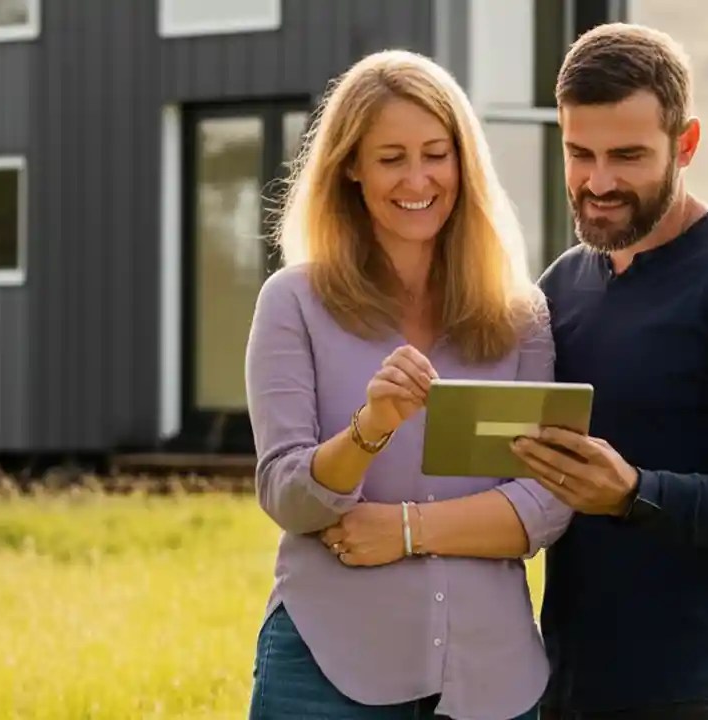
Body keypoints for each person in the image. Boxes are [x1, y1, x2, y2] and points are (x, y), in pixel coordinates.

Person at [508, 23, 708, 720]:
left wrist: (633, 493)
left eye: (627, 156)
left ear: (685, 144)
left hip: (698, 697)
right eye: (579, 153)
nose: (598, 181)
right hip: (560, 691)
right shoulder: (563, 284)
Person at [244, 49, 572, 720]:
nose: (417, 178)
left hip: (494, 677)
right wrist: (371, 428)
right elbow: (290, 499)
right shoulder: (294, 303)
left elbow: (547, 499)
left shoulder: (521, 316)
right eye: (391, 158)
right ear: (352, 171)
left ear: (464, 163)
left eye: (435, 153)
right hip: (328, 670)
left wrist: (406, 530)